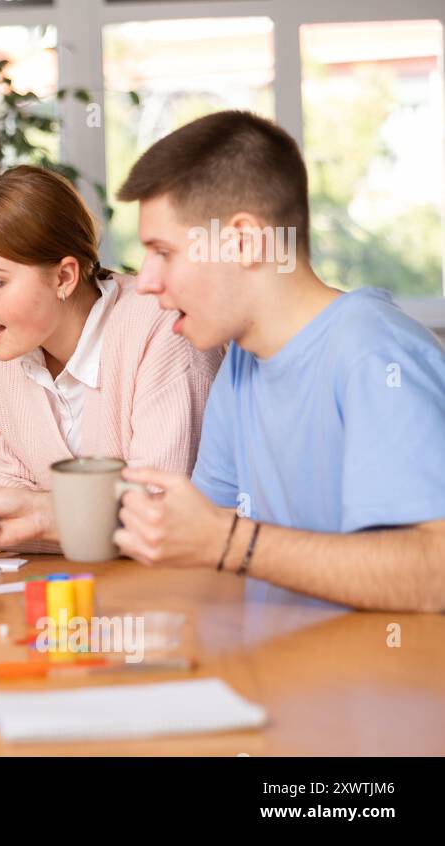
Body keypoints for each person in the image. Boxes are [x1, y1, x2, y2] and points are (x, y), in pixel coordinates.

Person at [112, 110, 445, 612]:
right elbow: (203, 540)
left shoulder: (376, 355)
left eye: (164, 252)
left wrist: (230, 542)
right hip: (282, 671)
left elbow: (433, 573)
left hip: (375, 681)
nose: (145, 281)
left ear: (244, 240)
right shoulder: (241, 362)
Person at [0, 165, 221, 552]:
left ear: (64, 277)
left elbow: (158, 508)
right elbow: (12, 473)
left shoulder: (161, 330)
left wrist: (38, 513)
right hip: (73, 576)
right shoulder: (2, 344)